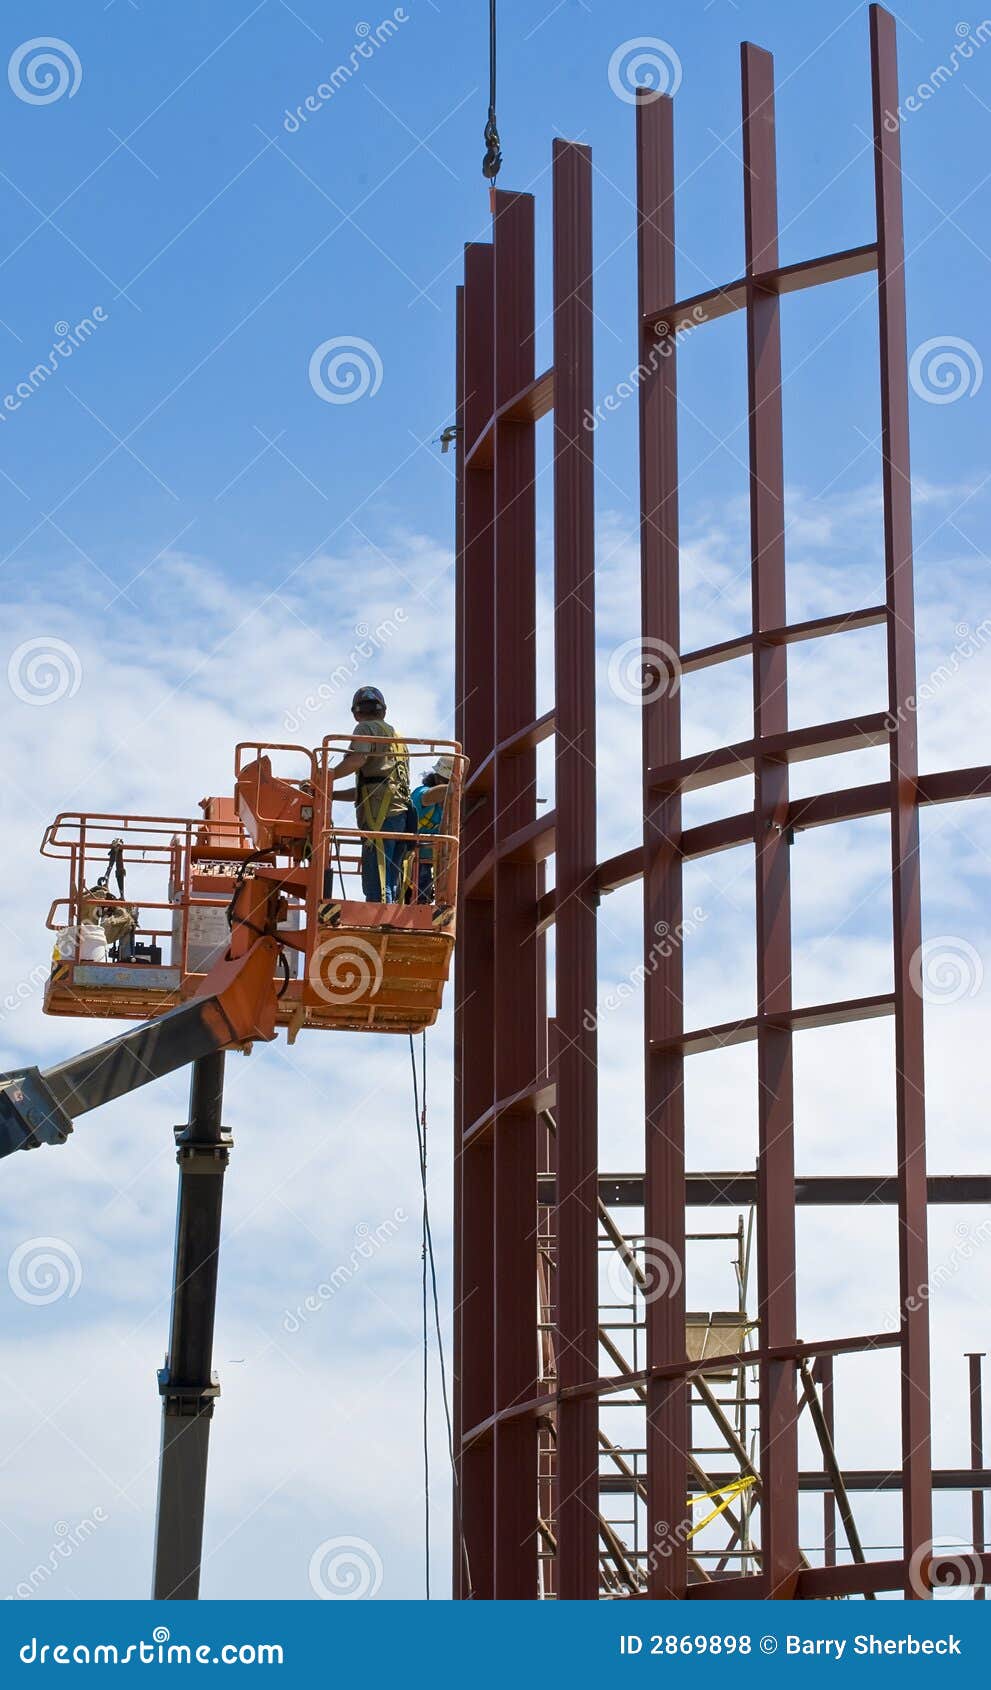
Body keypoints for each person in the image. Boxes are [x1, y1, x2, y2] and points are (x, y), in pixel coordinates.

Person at [328, 687, 411, 902]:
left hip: (379, 817)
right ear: (383, 711)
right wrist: (331, 794)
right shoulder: (398, 739)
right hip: (399, 815)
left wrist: (324, 777)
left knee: (376, 881)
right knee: (390, 878)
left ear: (356, 713)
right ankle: (390, 920)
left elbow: (357, 759)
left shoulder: (364, 728)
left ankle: (378, 924)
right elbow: (374, 786)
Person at [409, 755, 454, 904]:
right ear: (440, 780)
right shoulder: (421, 793)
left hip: (433, 860)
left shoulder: (448, 808)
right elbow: (427, 797)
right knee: (418, 889)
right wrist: (457, 786)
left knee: (426, 889)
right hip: (412, 858)